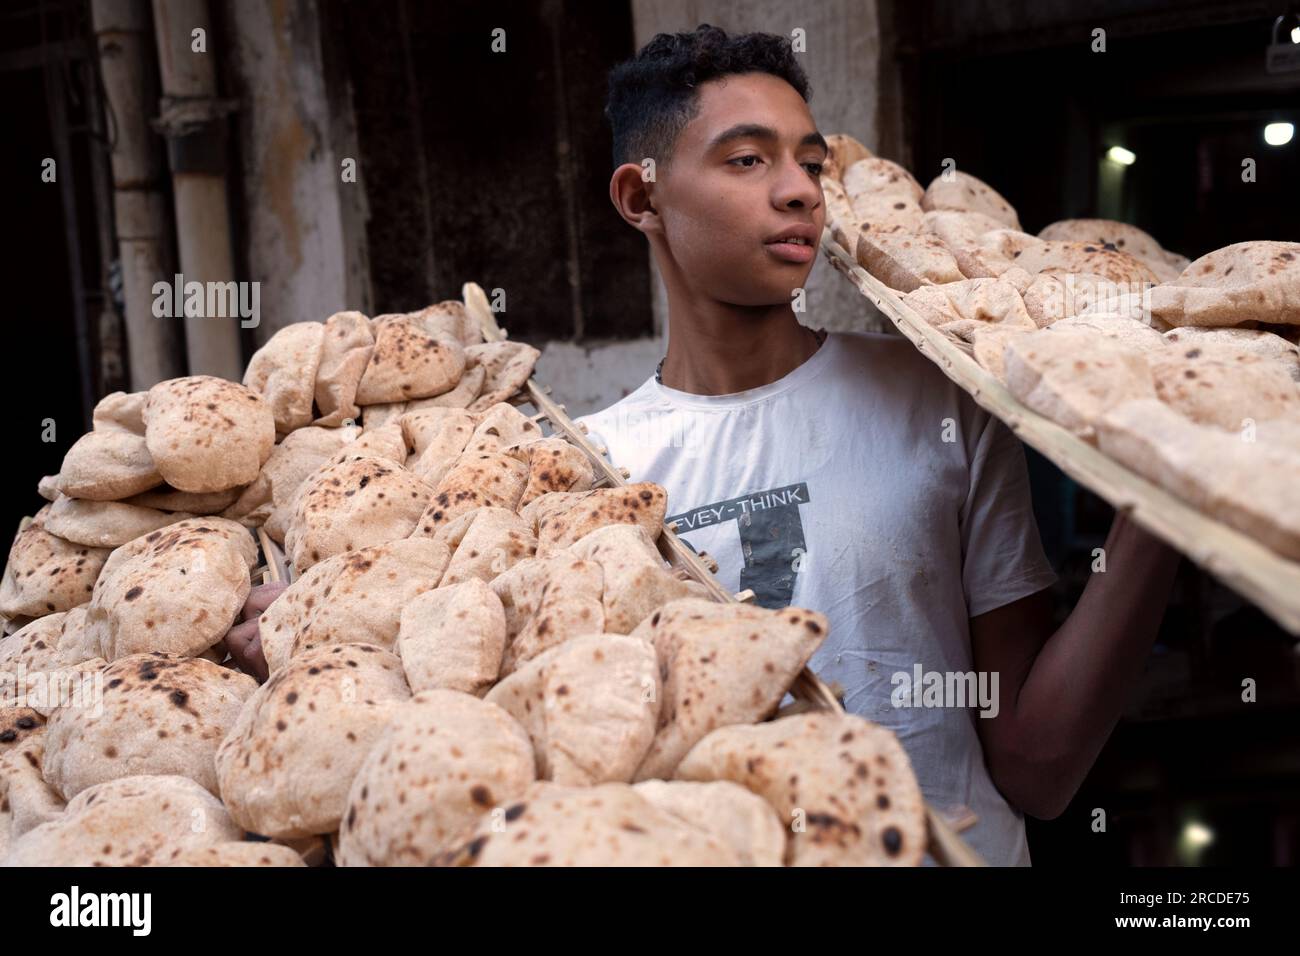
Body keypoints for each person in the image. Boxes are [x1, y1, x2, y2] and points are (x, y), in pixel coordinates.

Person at [227, 23, 1181, 866]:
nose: (800, 192)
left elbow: (1038, 772)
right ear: (641, 198)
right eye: (746, 161)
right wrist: (326, 637)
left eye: (810, 162)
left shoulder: (941, 401)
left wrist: (1165, 513)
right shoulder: (583, 477)